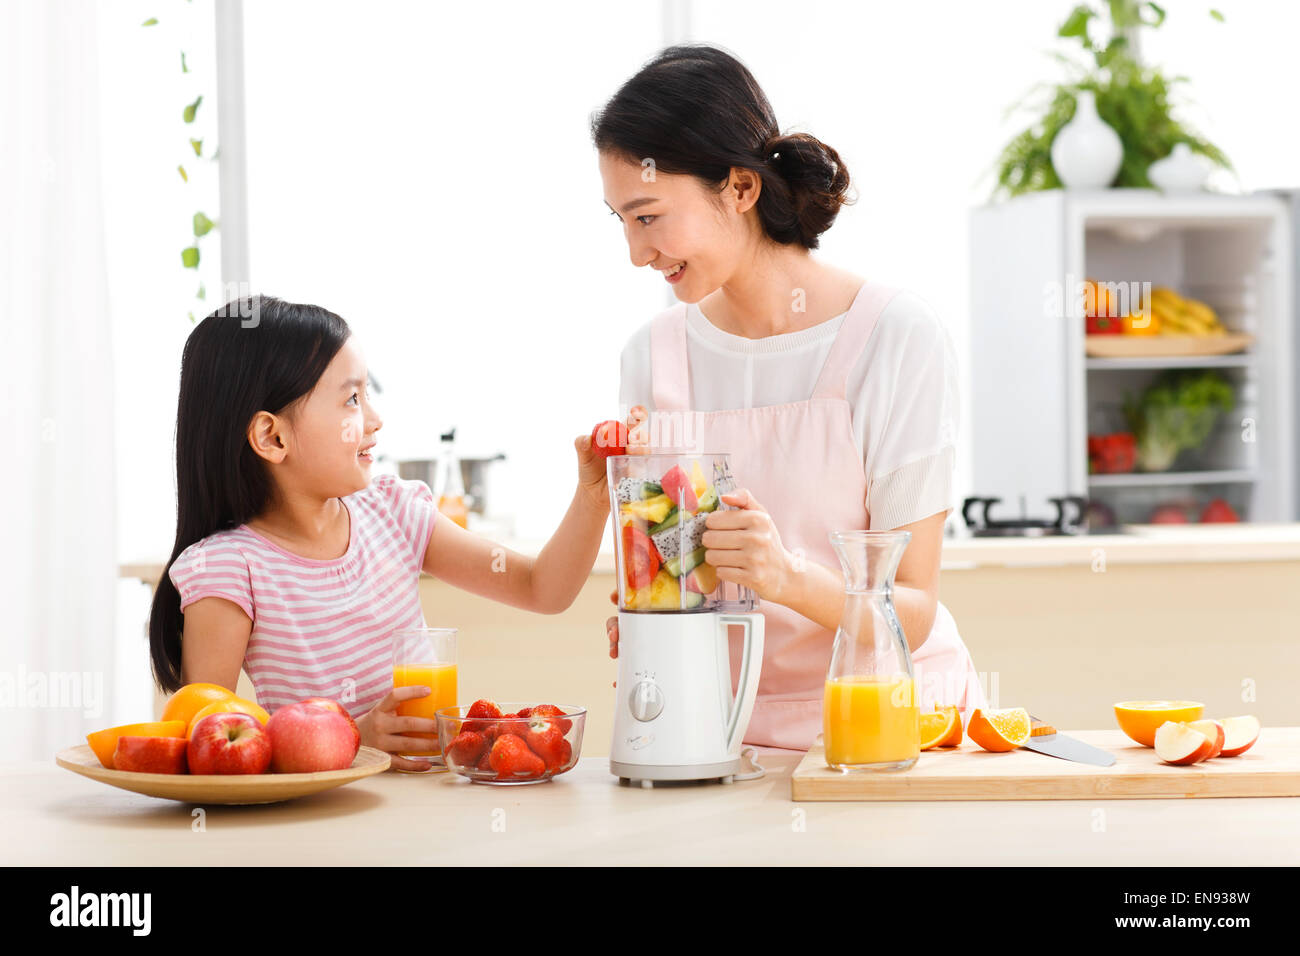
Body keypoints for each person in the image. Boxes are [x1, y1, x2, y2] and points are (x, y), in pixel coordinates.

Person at [594, 44, 987, 751]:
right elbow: (663, 564)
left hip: (888, 727)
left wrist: (784, 575)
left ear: (740, 190)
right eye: (619, 221)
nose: (635, 253)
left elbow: (915, 609)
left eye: (648, 217)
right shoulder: (651, 356)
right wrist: (652, 609)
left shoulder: (894, 337)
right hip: (717, 731)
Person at [148, 295, 609, 770]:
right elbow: (205, 753)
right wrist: (354, 738)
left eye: (367, 395)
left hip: (425, 805)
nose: (375, 418)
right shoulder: (228, 567)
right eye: (351, 399)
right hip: (318, 823)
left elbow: (542, 588)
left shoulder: (392, 512)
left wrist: (593, 496)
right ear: (273, 437)